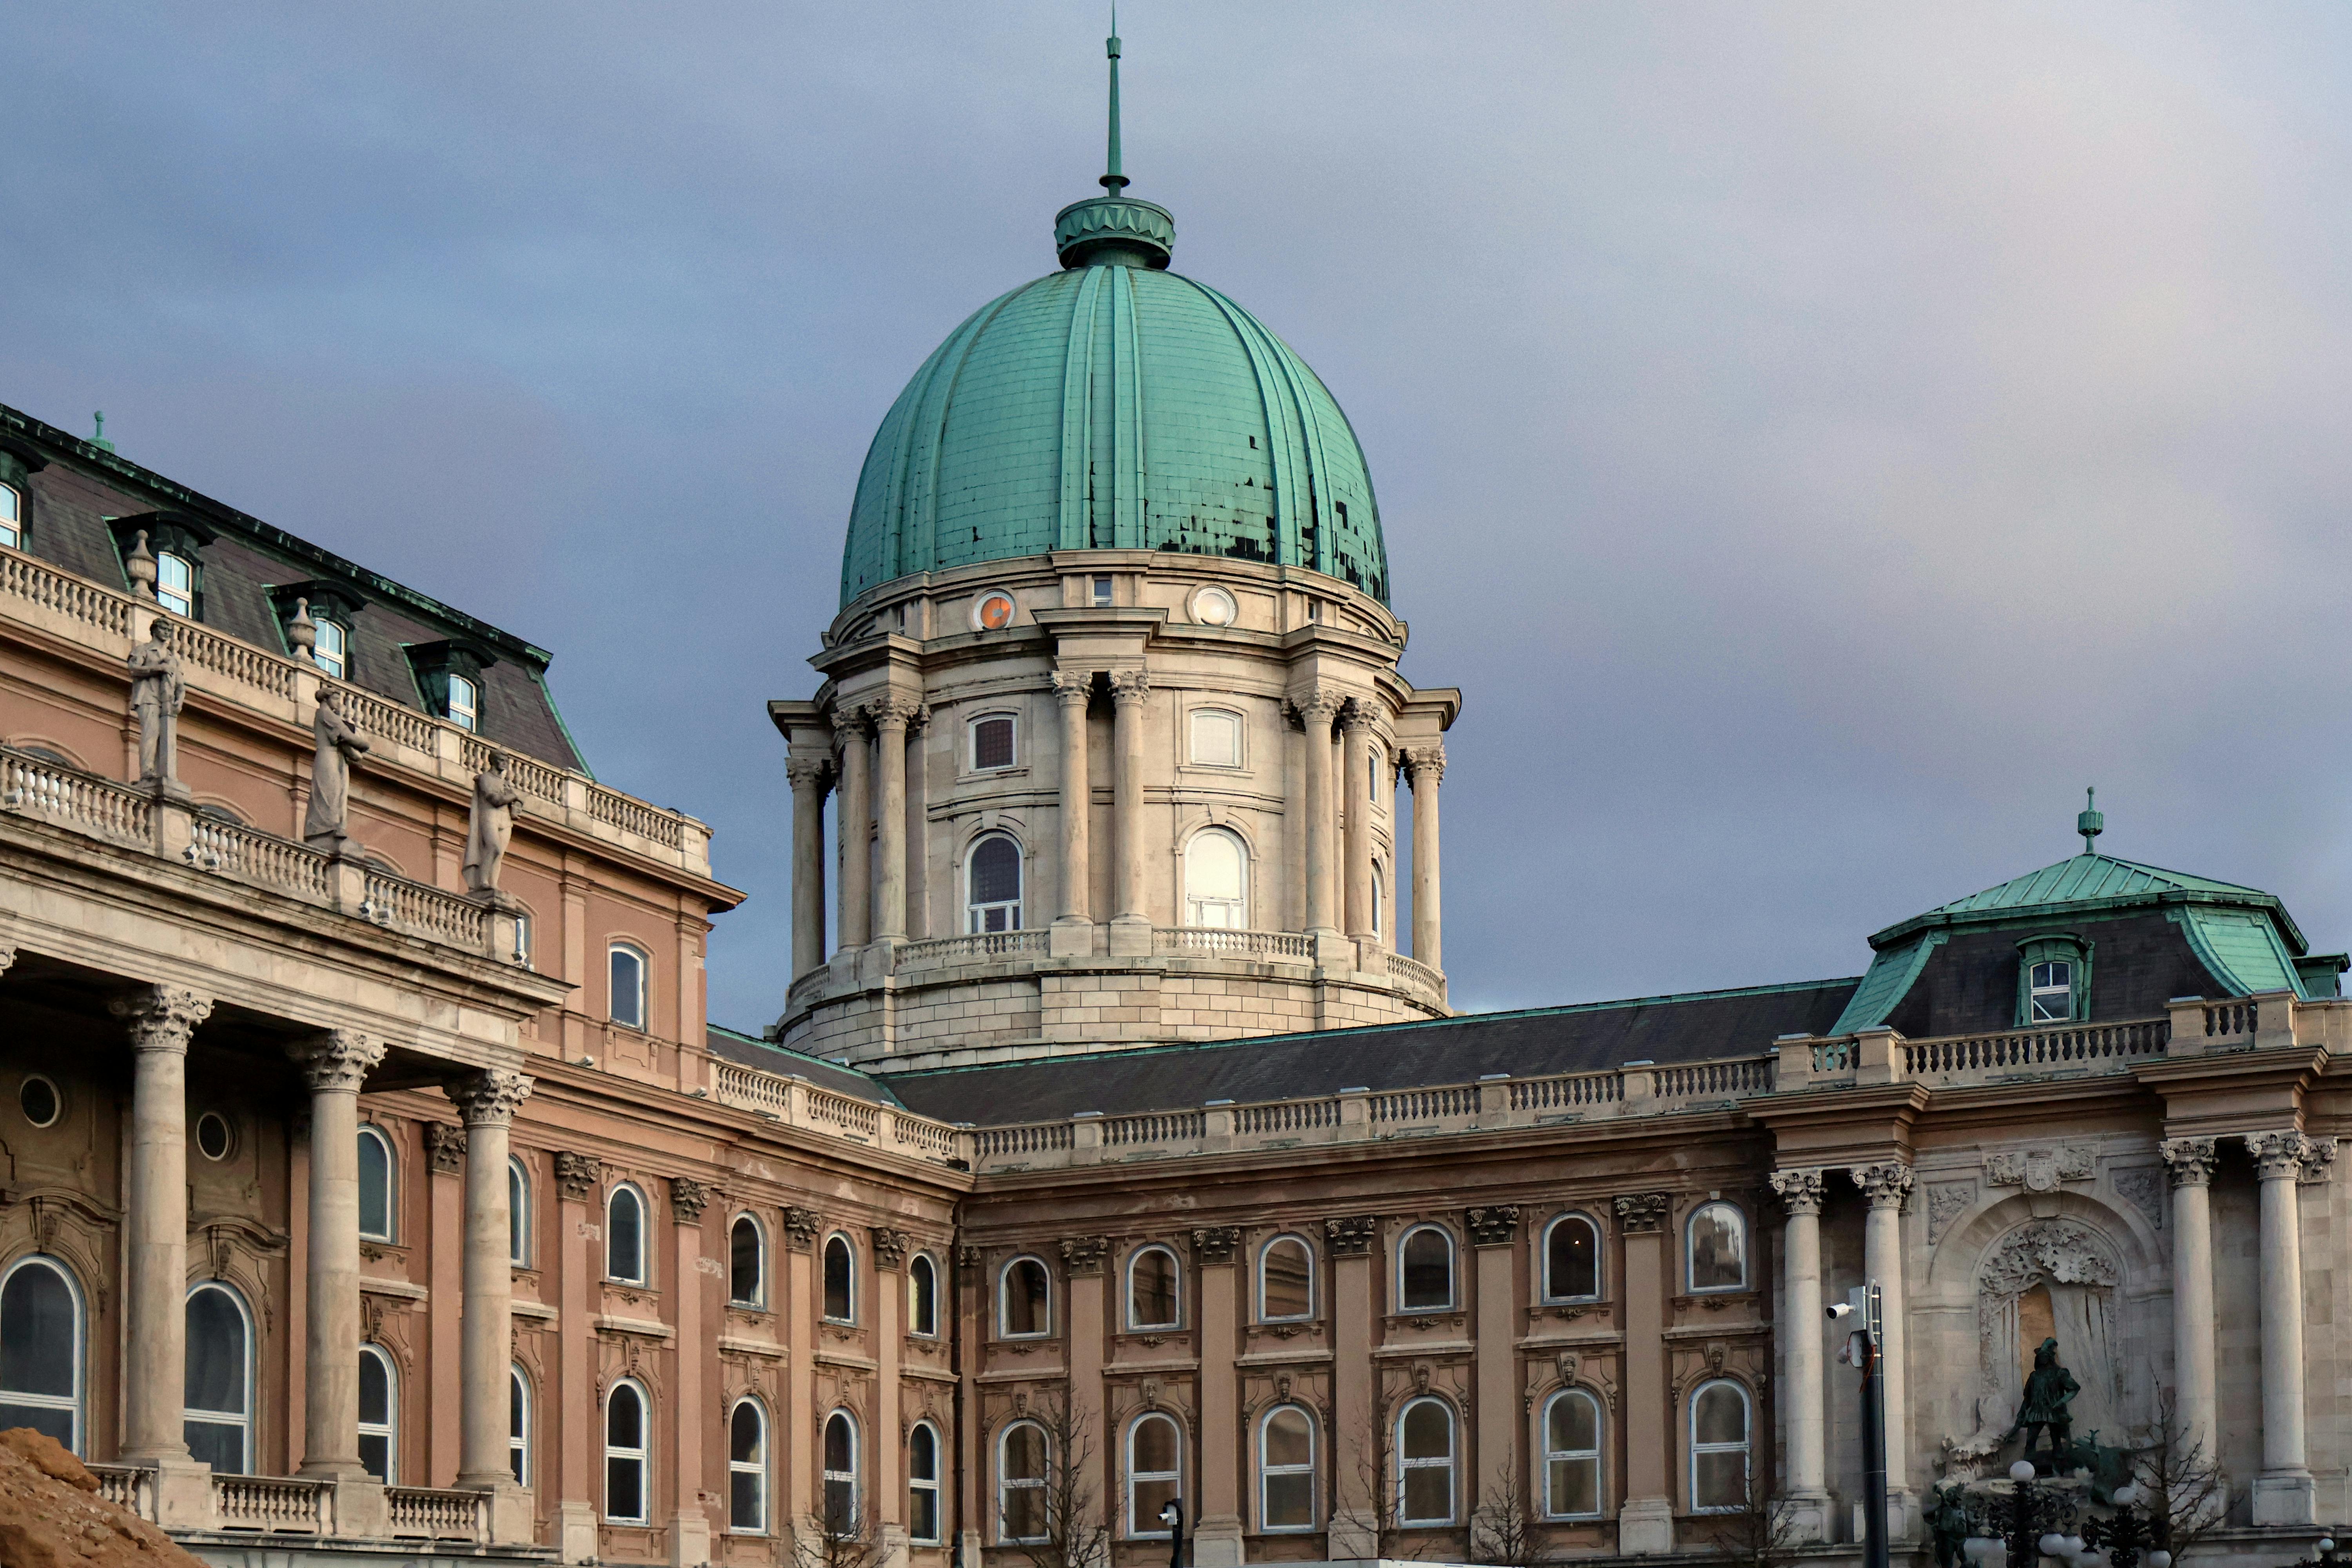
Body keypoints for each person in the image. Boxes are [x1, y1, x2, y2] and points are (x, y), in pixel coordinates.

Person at [303, 685, 372, 853]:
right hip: (327, 757)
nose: (338, 704)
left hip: (338, 759)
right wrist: (364, 745)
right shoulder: (324, 714)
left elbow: (344, 743)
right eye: (335, 699)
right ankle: (325, 828)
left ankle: (337, 827)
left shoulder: (332, 716)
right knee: (329, 792)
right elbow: (345, 735)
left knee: (339, 794)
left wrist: (357, 755)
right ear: (326, 699)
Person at [126, 619, 187, 787]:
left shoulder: (171, 659)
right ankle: (147, 771)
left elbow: (180, 685)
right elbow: (133, 669)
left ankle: (163, 774)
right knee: (151, 732)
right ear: (154, 630)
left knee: (166, 738)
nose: (167, 633)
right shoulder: (144, 650)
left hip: (166, 702)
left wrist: (180, 700)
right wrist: (157, 669)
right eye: (163, 629)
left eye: (169, 630)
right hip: (148, 696)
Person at [2011, 1337, 2080, 1460]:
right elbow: (2027, 1399)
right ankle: (2028, 1466)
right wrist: (2020, 1417)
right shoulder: (2034, 1376)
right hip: (2036, 1412)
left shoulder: (2059, 1373)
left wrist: (2061, 1402)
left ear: (2050, 1358)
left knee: (2057, 1442)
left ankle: (2059, 1469)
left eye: (2044, 1356)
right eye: (2040, 1357)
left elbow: (2074, 1388)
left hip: (2053, 1412)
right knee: (2031, 1440)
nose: (2042, 1358)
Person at [463, 751, 521, 895]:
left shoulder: (505, 783)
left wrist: (515, 801)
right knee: (493, 847)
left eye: (506, 762)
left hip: (505, 820)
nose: (504, 764)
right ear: (494, 761)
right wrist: (513, 796)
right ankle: (483, 881)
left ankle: (493, 884)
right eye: (501, 760)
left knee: (499, 854)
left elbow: (513, 803)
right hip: (489, 816)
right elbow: (495, 800)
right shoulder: (485, 779)